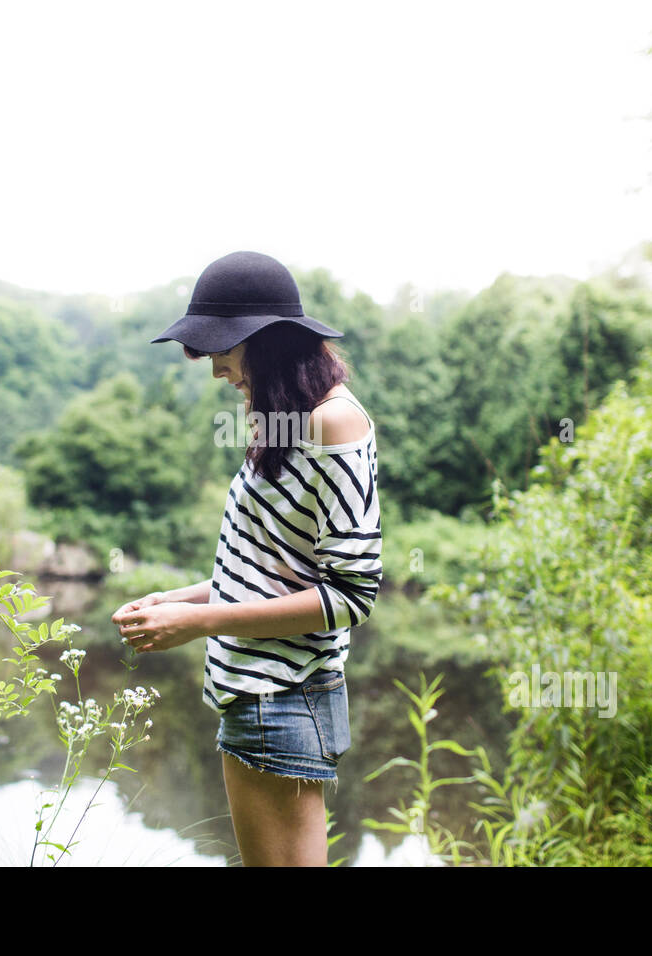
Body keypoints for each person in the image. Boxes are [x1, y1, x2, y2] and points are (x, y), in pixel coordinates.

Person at [111, 250, 383, 866]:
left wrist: (197, 623)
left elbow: (351, 595)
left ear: (264, 341)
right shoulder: (277, 419)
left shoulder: (332, 423)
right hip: (252, 696)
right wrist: (175, 601)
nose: (215, 371)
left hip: (282, 695)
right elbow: (261, 570)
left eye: (219, 351)